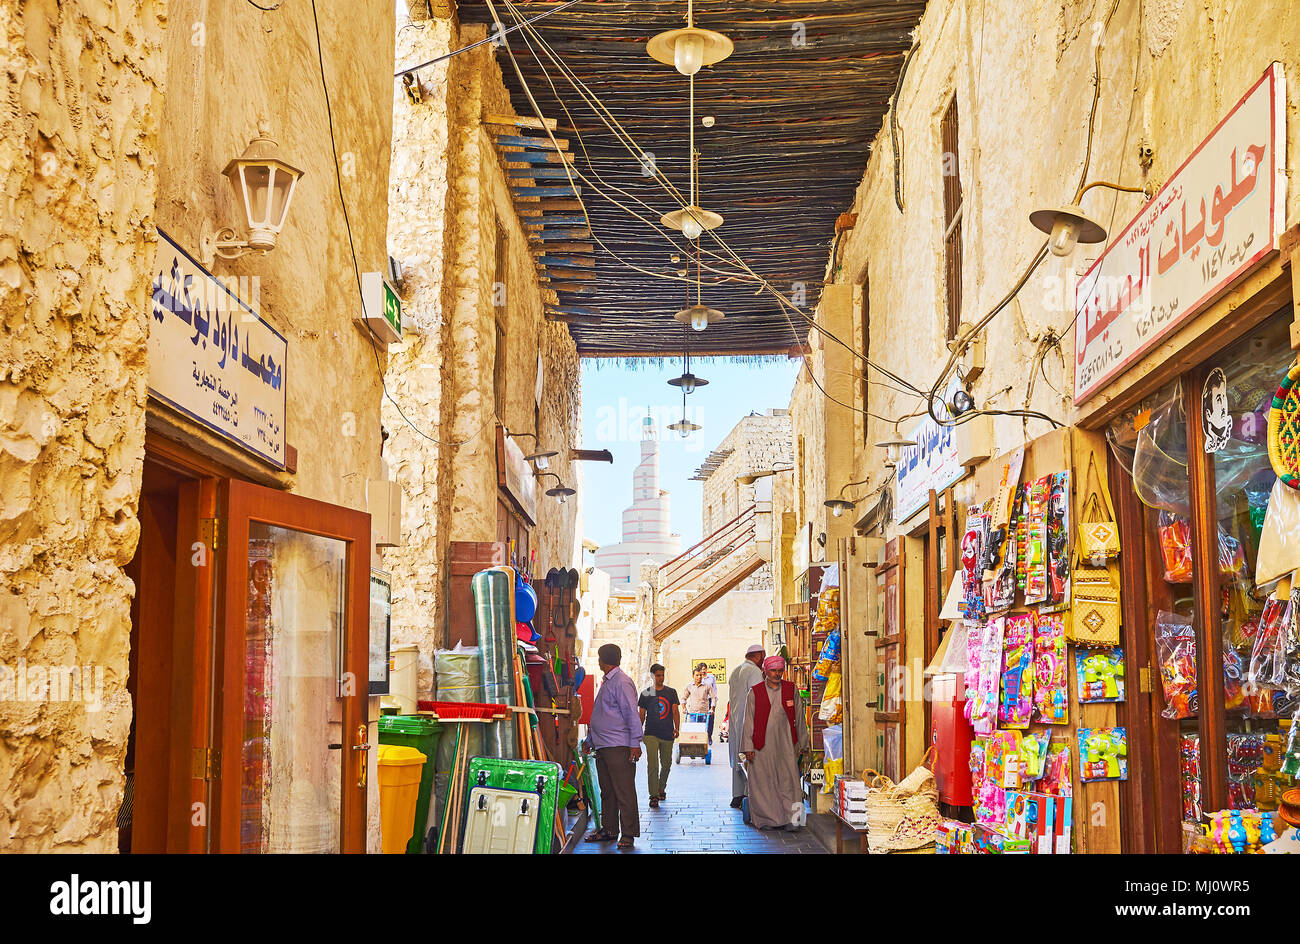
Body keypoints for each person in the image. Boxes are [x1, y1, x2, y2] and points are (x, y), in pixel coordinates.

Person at [739, 655, 810, 830]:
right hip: (761, 746)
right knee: (764, 783)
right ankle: (767, 820)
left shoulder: (791, 689)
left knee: (790, 782)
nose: (777, 674)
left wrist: (804, 742)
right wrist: (748, 747)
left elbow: (800, 718)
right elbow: (748, 721)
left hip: (787, 744)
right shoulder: (755, 692)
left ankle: (793, 821)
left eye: (780, 671)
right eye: (773, 670)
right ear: (765, 670)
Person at [583, 644, 643, 849]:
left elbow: (631, 714)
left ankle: (628, 833)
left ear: (603, 660)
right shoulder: (609, 682)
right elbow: (601, 715)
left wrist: (635, 743)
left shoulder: (622, 682)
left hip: (619, 745)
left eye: (599, 658)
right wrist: (590, 740)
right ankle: (609, 829)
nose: (598, 661)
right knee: (607, 791)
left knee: (623, 790)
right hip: (603, 746)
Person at [727, 644, 765, 809]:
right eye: (762, 657)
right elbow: (759, 697)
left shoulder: (736, 670)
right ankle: (750, 797)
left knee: (738, 757)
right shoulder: (754, 671)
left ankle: (737, 795)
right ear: (757, 656)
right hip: (749, 719)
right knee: (750, 758)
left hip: (736, 720)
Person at [637, 663, 680, 808]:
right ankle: (653, 795)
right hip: (651, 733)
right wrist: (637, 732)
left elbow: (675, 711)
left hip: (667, 732)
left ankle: (661, 787)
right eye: (657, 675)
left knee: (666, 764)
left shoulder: (671, 692)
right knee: (653, 765)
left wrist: (677, 728)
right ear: (652, 676)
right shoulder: (646, 693)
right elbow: (641, 714)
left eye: (662, 675)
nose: (660, 678)